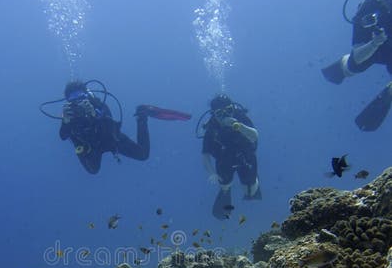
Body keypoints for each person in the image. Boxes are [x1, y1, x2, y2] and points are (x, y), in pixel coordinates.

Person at [58, 80, 191, 174]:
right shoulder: (68, 115)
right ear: (68, 102)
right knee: (93, 171)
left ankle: (142, 114)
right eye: (73, 100)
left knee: (143, 155)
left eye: (81, 97)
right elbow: (63, 136)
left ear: (87, 95)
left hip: (110, 140)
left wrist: (94, 115)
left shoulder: (98, 105)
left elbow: (109, 124)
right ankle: (81, 151)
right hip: (90, 147)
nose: (78, 102)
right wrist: (66, 122)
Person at [322, 0, 392, 130]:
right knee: (353, 66)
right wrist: (375, 43)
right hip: (376, 48)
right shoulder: (368, 9)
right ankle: (341, 67)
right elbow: (358, 57)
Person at [201, 94, 261, 220]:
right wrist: (212, 173)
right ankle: (225, 190)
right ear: (213, 114)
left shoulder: (239, 117)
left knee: (250, 193)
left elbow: (255, 136)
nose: (225, 115)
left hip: (245, 157)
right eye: (219, 113)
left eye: (228, 110)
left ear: (232, 108)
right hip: (224, 161)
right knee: (224, 185)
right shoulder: (211, 128)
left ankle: (253, 182)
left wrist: (239, 126)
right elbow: (205, 154)